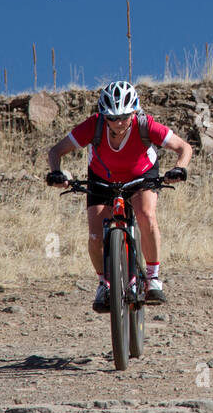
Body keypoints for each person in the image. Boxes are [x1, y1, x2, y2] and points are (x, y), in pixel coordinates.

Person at [46, 80, 193, 312]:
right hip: (102, 178)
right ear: (103, 115)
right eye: (112, 117)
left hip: (142, 175)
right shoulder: (93, 126)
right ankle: (104, 283)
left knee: (146, 215)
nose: (119, 122)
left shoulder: (146, 125)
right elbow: (55, 151)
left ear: (134, 110)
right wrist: (56, 173)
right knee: (95, 236)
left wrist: (179, 168)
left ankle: (153, 278)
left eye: (124, 116)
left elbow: (184, 148)